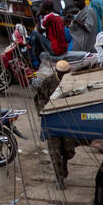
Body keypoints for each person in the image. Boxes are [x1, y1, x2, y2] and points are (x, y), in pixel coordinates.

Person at [33, 60, 75, 188]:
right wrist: (44, 111)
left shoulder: (72, 81)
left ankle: (65, 164)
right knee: (54, 152)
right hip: (51, 121)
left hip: (68, 121)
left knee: (68, 150)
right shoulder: (48, 82)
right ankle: (59, 178)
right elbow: (39, 98)